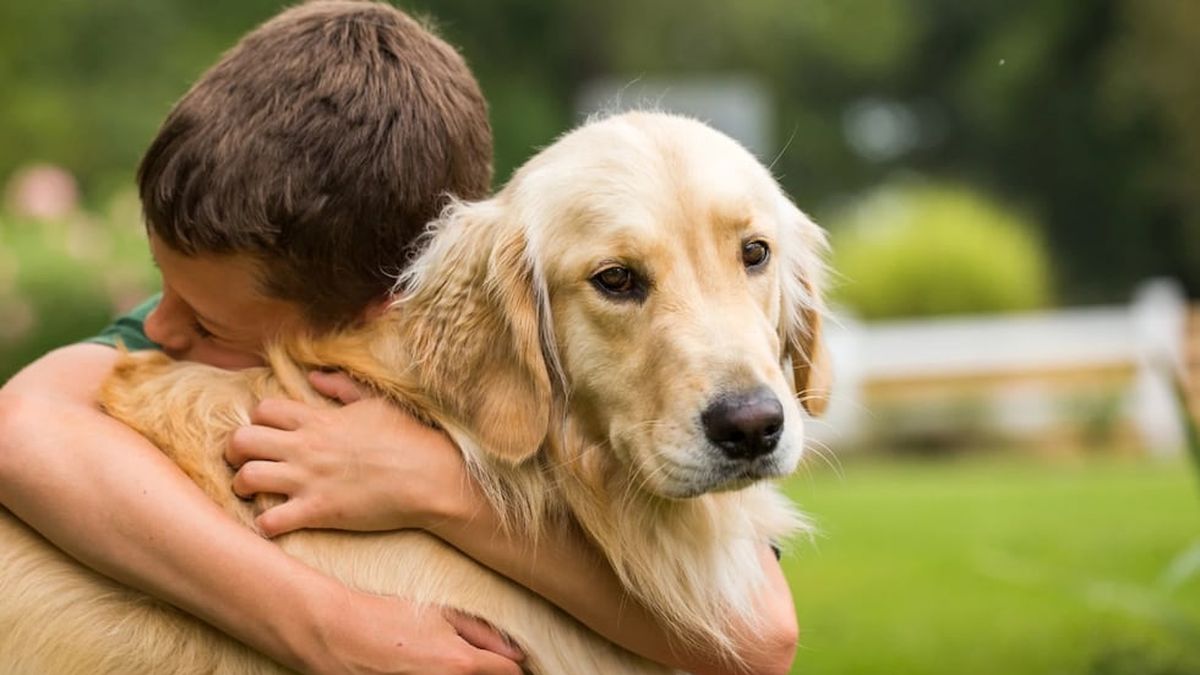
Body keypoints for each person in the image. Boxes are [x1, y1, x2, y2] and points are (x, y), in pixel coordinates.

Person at [0, 2, 799, 674]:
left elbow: (761, 635)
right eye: (620, 280)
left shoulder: (485, 290)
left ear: (382, 308)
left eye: (205, 320)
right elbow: (19, 427)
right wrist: (327, 623)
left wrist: (441, 490)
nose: (162, 327)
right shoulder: (241, 305)